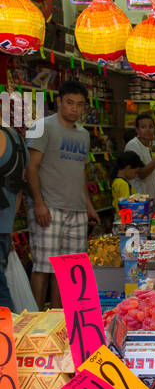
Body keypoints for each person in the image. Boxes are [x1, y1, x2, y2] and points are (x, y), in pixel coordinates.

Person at [26, 79, 99, 308]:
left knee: (68, 270)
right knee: (42, 267)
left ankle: (60, 317)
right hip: (49, 208)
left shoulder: (83, 134)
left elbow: (80, 173)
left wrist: (89, 207)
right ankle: (36, 317)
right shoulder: (43, 127)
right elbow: (31, 168)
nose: (74, 108)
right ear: (59, 101)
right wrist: (39, 203)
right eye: (70, 102)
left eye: (79, 104)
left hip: (76, 210)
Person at [0, 125, 28, 310]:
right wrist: (8, 226)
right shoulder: (17, 141)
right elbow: (19, 190)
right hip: (4, 227)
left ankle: (6, 327)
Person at [124, 112, 155, 199]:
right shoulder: (132, 146)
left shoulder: (148, 146)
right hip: (138, 200)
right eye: (143, 127)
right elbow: (141, 174)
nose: (148, 130)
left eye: (151, 127)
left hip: (149, 197)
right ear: (137, 130)